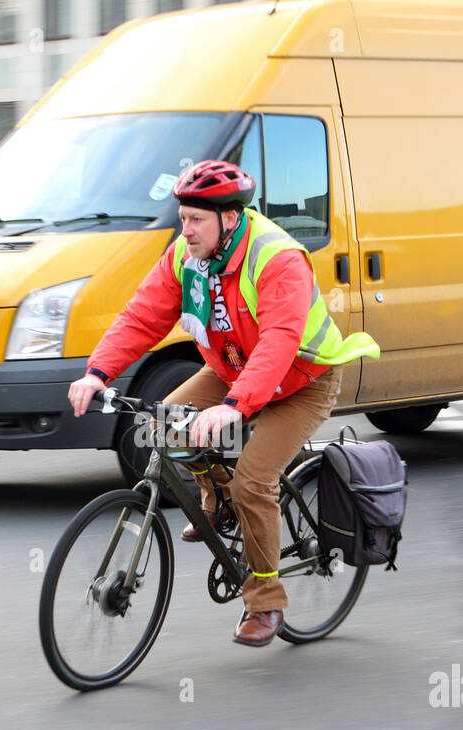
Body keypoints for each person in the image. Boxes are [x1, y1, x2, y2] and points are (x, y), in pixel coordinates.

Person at [67, 159, 378, 648]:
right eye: (183, 217)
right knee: (167, 428)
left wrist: (235, 406)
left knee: (254, 478)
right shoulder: (185, 257)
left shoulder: (277, 258)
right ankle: (218, 505)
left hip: (302, 379)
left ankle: (266, 601)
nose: (184, 229)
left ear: (229, 219)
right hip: (235, 371)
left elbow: (278, 341)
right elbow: (141, 316)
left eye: (195, 220)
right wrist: (96, 372)